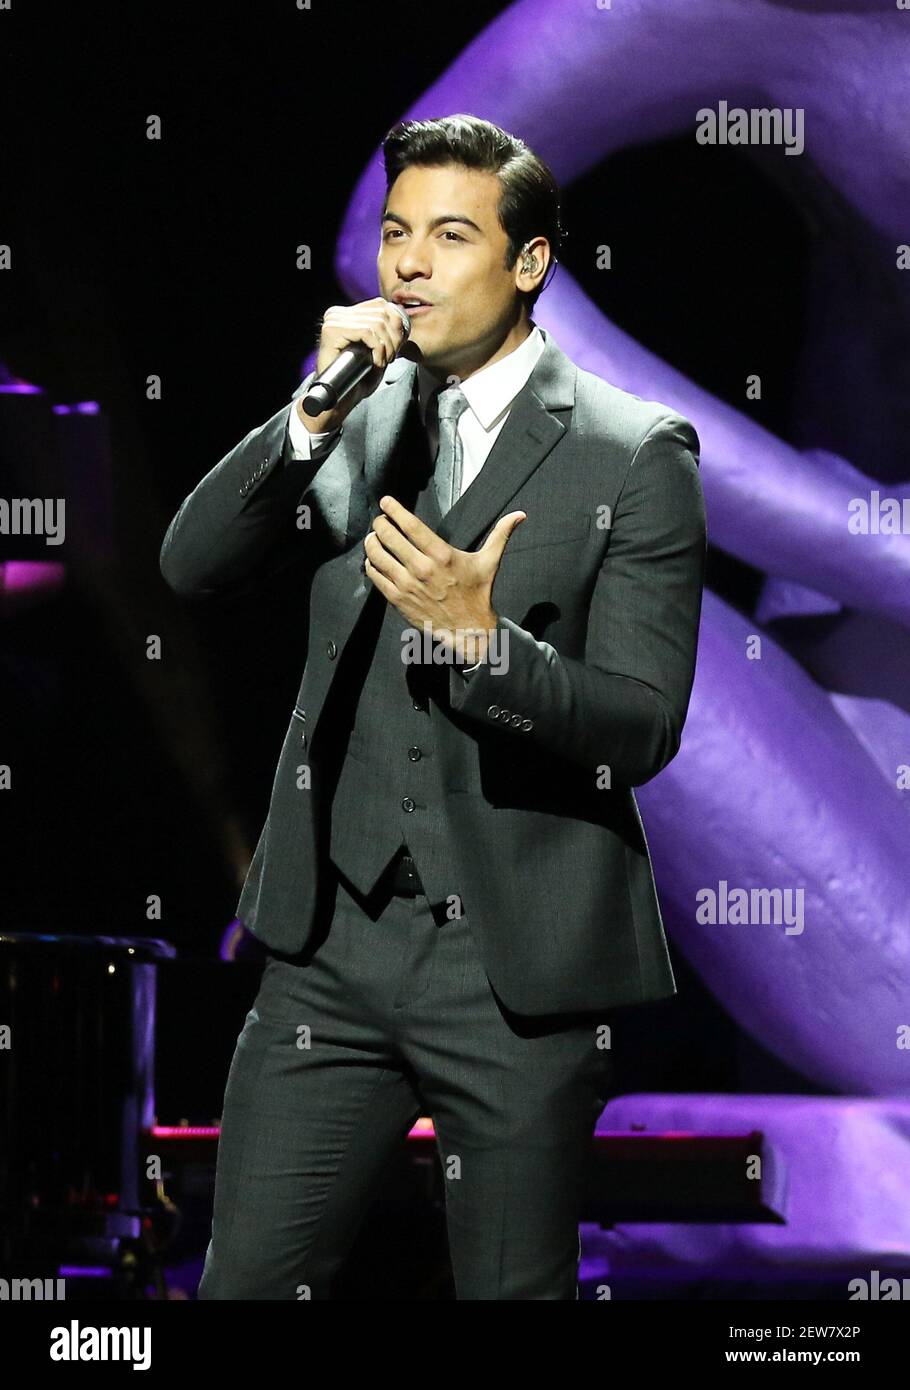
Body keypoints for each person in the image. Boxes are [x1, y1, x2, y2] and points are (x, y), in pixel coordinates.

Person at [159, 113, 707, 1300]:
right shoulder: (351, 417)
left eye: (451, 236)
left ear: (529, 262)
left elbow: (640, 726)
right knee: (244, 1281)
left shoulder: (632, 453)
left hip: (513, 967)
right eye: (396, 232)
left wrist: (480, 643)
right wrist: (309, 413)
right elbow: (191, 567)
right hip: (329, 951)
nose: (408, 264)